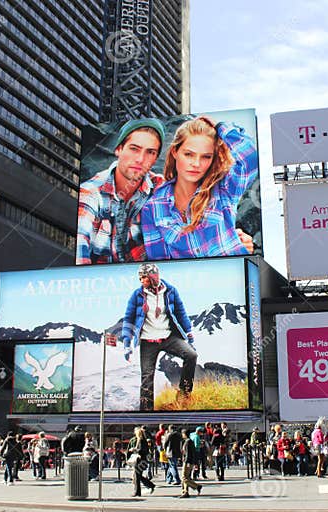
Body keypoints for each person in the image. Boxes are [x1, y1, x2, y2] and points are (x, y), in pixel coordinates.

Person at [140, 116, 258, 260]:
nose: (196, 163)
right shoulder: (152, 207)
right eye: (189, 154)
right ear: (175, 152)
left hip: (236, 274)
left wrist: (220, 127)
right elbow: (161, 261)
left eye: (206, 157)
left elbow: (251, 158)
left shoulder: (225, 188)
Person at [77, 118, 167, 264]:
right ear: (118, 149)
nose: (140, 159)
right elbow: (80, 257)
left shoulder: (161, 189)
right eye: (134, 149)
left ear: (155, 159)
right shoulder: (90, 193)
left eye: (150, 152)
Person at [121, 263, 198, 411]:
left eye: (144, 277)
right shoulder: (137, 295)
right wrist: (126, 342)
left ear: (153, 277)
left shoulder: (170, 291)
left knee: (191, 355)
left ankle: (184, 395)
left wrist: (188, 333)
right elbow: (128, 319)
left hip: (168, 336)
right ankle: (146, 413)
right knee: (147, 378)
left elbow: (181, 313)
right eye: (140, 278)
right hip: (147, 341)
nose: (141, 281)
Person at [129, 427, 155, 497]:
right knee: (138, 476)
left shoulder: (141, 440)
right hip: (143, 460)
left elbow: (142, 450)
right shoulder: (142, 440)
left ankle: (137, 492)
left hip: (141, 460)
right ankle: (150, 485)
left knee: (137, 476)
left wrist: (134, 449)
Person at [179, 428, 202, 498]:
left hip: (187, 462)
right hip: (189, 461)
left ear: (184, 434)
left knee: (184, 477)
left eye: (182, 434)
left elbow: (189, 453)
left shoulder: (188, 442)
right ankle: (185, 492)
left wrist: (187, 462)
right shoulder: (188, 441)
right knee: (187, 477)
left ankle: (197, 486)